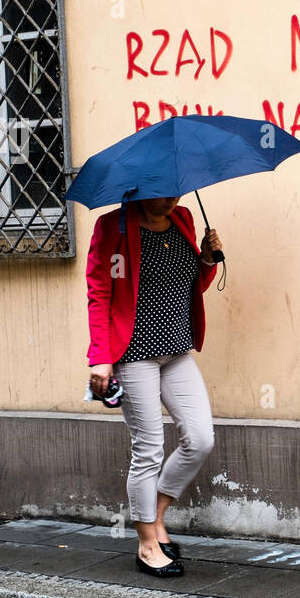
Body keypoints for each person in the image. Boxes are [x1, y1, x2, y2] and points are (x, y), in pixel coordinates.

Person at [85, 195, 223, 577]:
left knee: (200, 439)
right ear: (142, 188)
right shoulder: (112, 227)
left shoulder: (183, 218)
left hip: (177, 350)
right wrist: (101, 356)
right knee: (148, 448)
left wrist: (207, 259)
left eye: (176, 192)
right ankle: (147, 544)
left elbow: (191, 285)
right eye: (163, 193)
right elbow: (99, 292)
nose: (171, 200)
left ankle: (157, 515)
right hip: (134, 354)